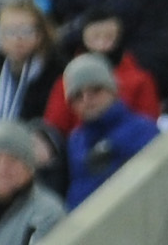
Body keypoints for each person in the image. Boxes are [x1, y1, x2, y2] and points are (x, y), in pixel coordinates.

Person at [60, 53, 155, 207]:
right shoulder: (75, 140)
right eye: (78, 95)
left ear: (113, 90)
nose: (87, 99)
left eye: (95, 90)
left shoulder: (143, 130)